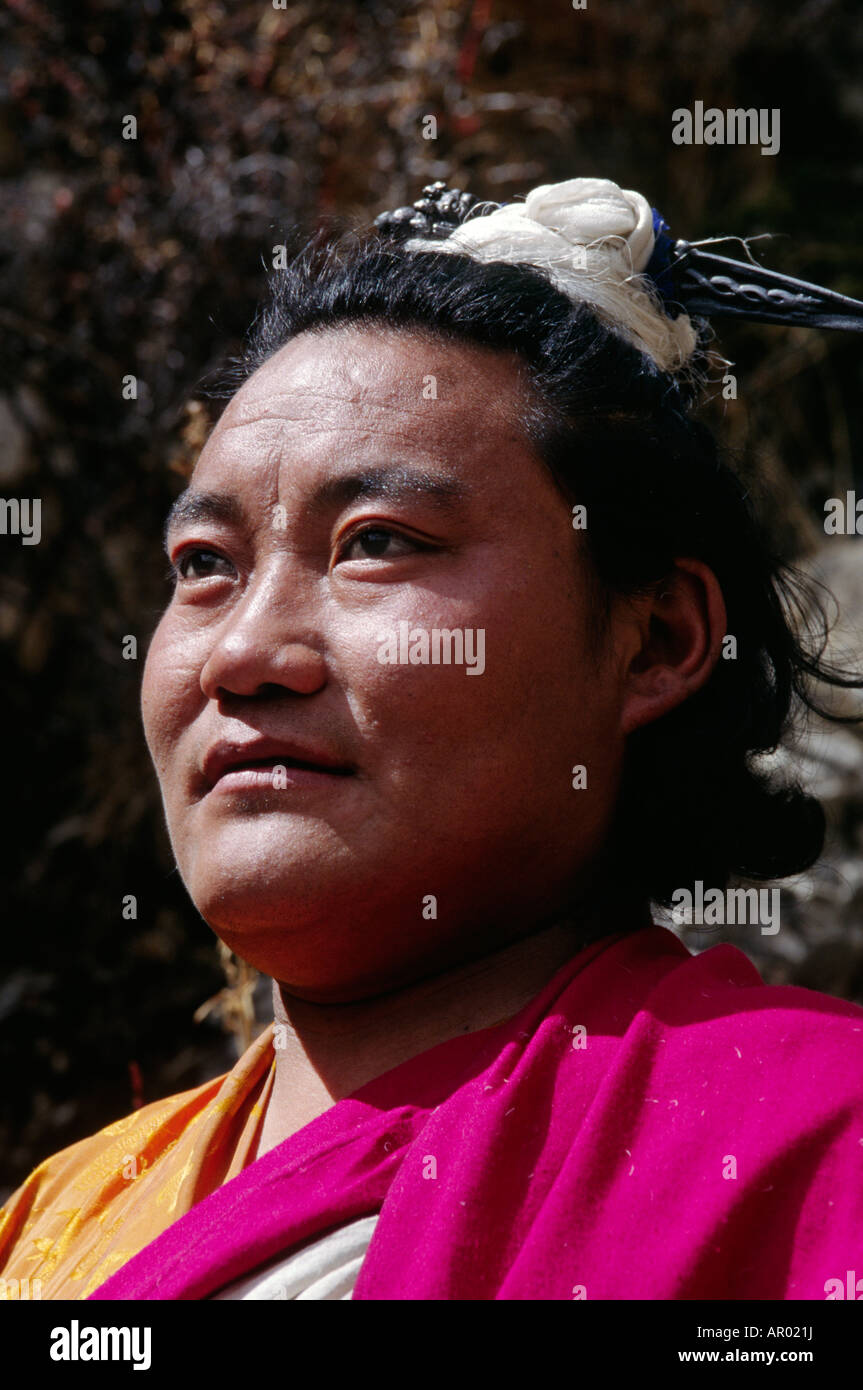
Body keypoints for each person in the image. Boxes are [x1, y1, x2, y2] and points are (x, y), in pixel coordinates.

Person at [2, 176, 863, 1302]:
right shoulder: (58, 1221)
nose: (243, 653)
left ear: (653, 638)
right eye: (204, 564)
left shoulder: (811, 1146)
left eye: (377, 543)